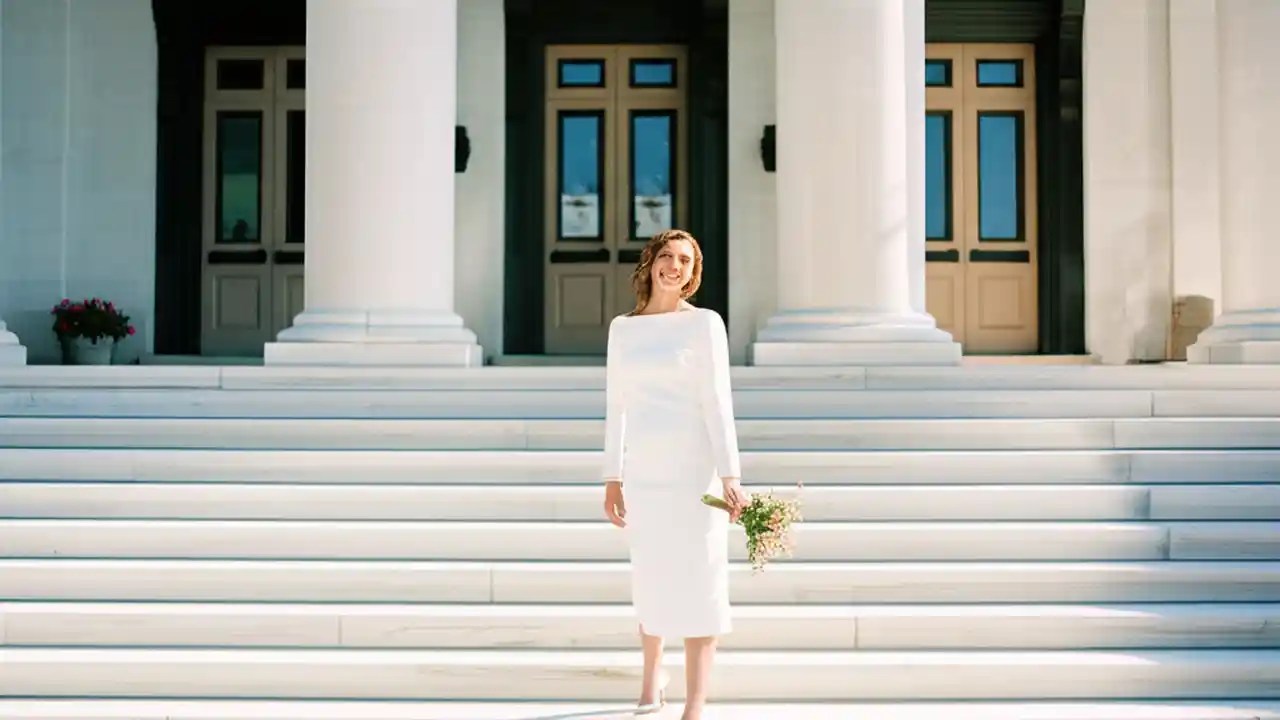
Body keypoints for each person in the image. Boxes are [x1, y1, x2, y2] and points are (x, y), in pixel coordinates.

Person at [601, 228, 749, 719]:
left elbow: (717, 402)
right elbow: (616, 407)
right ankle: (650, 681)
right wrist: (612, 477)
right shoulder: (623, 329)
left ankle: (695, 704)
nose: (675, 266)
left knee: (702, 581)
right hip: (645, 474)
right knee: (651, 577)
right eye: (667, 256)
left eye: (685, 260)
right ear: (651, 263)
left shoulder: (705, 324)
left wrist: (730, 474)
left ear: (693, 272)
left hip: (696, 473)